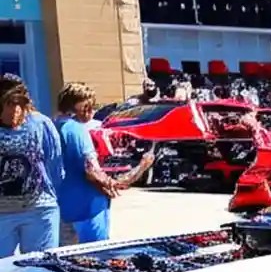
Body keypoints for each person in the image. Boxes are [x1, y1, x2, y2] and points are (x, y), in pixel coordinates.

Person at [55, 82, 155, 244]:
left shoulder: (52, 126)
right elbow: (94, 174)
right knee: (94, 259)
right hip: (87, 209)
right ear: (76, 105)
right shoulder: (77, 130)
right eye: (88, 106)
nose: (92, 111)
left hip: (62, 208)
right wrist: (142, 167)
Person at [0, 75, 62, 254]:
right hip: (2, 213)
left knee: (40, 270)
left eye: (20, 104)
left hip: (40, 210)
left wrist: (50, 195)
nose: (15, 111)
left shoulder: (40, 124)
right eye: (9, 104)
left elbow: (55, 165)